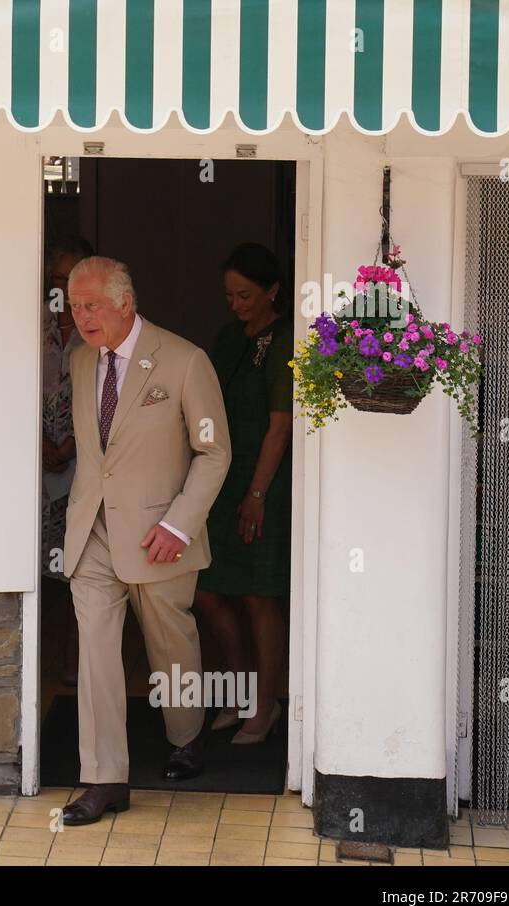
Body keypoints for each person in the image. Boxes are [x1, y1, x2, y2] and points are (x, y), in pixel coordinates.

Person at [58, 256, 231, 825]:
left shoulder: (185, 360)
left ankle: (186, 736)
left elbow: (214, 452)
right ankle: (104, 778)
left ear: (125, 303)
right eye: (74, 304)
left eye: (92, 305)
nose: (80, 315)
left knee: (169, 642)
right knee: (97, 654)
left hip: (163, 534)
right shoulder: (81, 360)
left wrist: (180, 523)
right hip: (93, 532)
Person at [193, 243, 293, 743]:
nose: (235, 304)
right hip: (222, 476)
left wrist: (257, 494)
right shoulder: (229, 338)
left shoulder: (286, 342)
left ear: (273, 291)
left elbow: (281, 425)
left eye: (246, 295)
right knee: (207, 591)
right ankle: (241, 688)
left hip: (265, 481)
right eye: (229, 295)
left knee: (259, 597)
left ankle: (267, 704)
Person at [41, 236, 93, 686]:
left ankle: (78, 673)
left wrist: (71, 444)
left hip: (84, 467)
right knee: (35, 574)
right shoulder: (31, 321)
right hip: (30, 466)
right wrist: (40, 441)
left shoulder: (99, 330)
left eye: (73, 280)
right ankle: (38, 669)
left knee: (79, 572)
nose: (64, 289)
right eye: (58, 279)